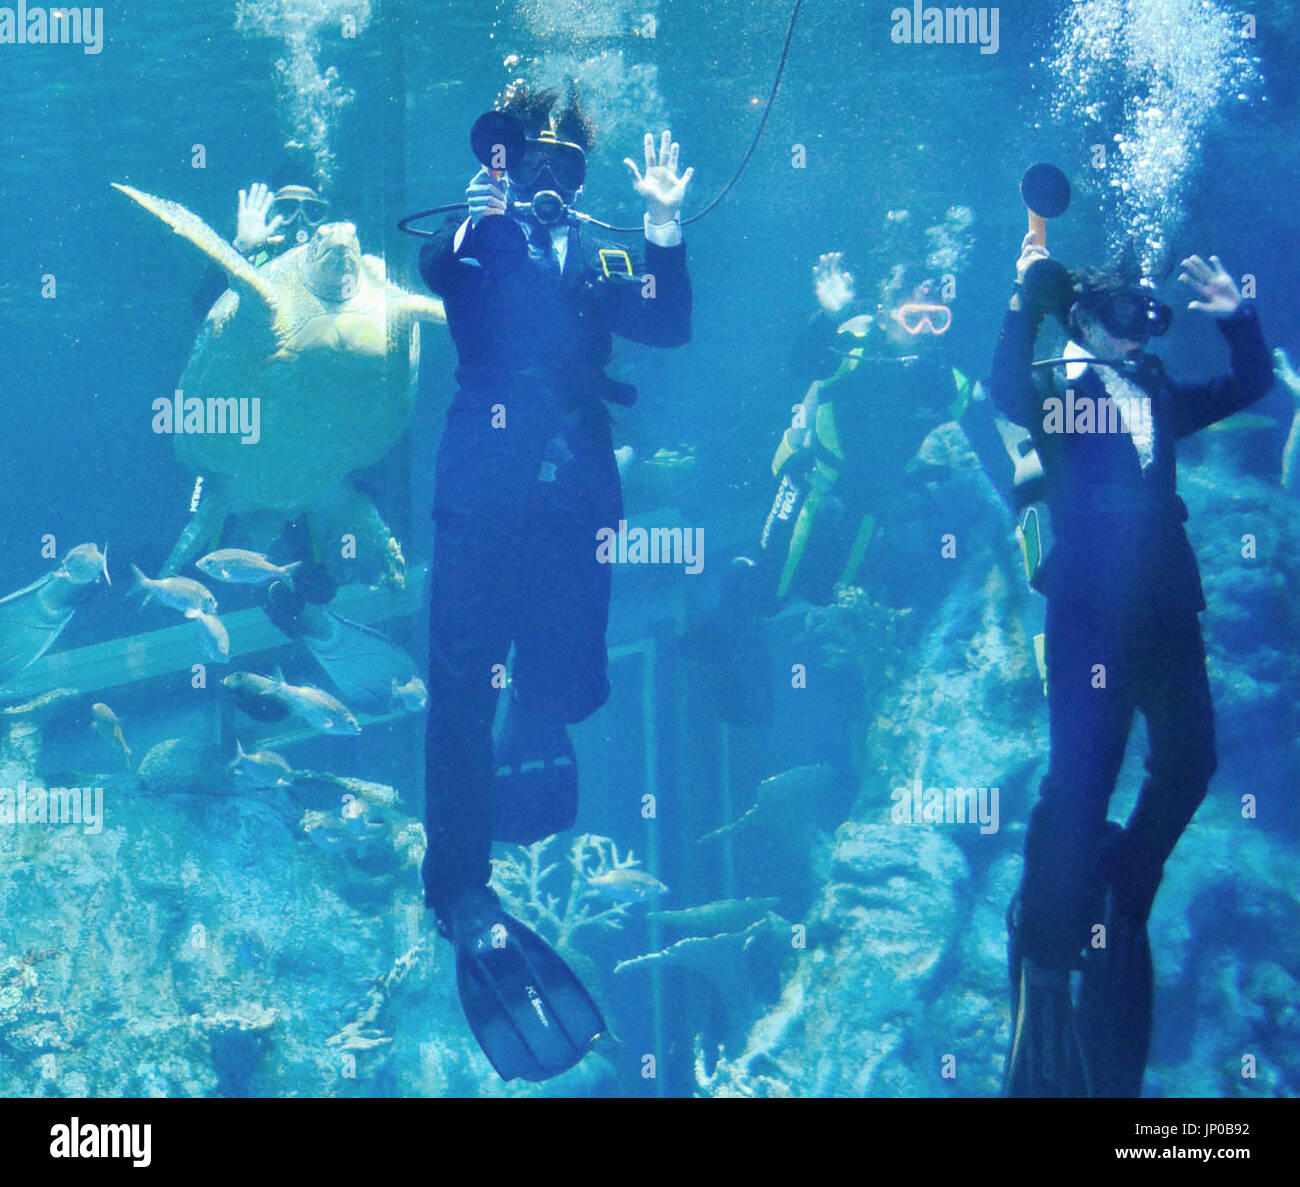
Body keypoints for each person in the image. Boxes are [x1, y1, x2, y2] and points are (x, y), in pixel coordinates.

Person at [416, 83, 693, 1081]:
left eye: (568, 168)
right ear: (504, 164)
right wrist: (478, 213)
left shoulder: (604, 253)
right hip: (482, 484)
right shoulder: (478, 239)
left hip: (577, 485)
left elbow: (668, 325)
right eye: (535, 165)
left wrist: (662, 226)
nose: (551, 184)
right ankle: (460, 884)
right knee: (459, 676)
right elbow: (438, 274)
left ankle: (530, 737)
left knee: (570, 681)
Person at [991, 234, 1274, 1097]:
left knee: (1192, 761)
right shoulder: (1054, 389)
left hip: (1166, 607)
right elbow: (1004, 387)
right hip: (1088, 613)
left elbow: (1248, 386)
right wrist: (1026, 303)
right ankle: (1043, 947)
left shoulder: (1151, 383)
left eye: (1151, 318)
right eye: (1126, 317)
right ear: (1085, 318)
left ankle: (1125, 884)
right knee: (1081, 781)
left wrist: (1240, 319)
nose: (1143, 334)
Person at [703, 251, 978, 727]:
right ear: (889, 313)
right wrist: (829, 315)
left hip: (869, 510)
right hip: (814, 491)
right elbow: (804, 361)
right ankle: (725, 652)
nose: (925, 333)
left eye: (938, 320)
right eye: (913, 318)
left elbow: (984, 417)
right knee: (767, 594)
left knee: (833, 598)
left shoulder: (944, 382)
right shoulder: (858, 344)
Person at [191, 179, 329, 319]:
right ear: (270, 214)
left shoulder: (331, 266)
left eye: (312, 211)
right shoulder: (254, 261)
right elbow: (202, 308)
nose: (300, 220)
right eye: (286, 209)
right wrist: (241, 249)